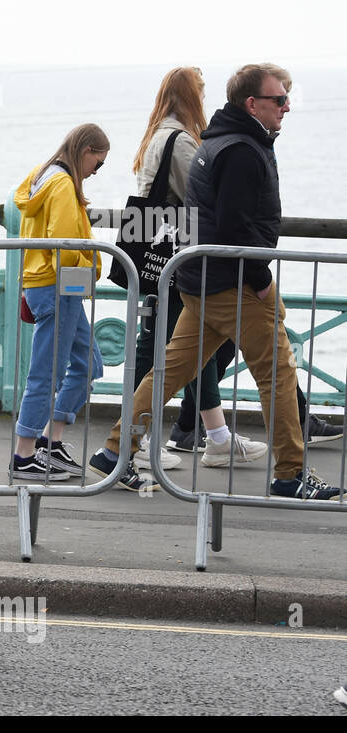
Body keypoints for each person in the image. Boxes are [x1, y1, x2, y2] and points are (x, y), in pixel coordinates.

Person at [89, 64, 343, 500]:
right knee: (278, 374)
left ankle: (115, 450)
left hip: (199, 276)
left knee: (170, 369)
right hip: (235, 283)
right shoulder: (242, 150)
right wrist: (261, 277)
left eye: (287, 98)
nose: (286, 106)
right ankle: (290, 475)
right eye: (279, 100)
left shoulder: (215, 141)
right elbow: (234, 226)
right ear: (253, 104)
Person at [128, 67, 267, 471]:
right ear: (192, 95)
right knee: (167, 348)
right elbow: (204, 193)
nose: (206, 98)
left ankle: (203, 435)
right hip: (176, 255)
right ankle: (140, 443)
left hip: (157, 251)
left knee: (173, 345)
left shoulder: (157, 133)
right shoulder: (181, 140)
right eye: (202, 91)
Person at [8, 124, 114, 485]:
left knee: (87, 365)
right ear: (86, 150)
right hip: (58, 285)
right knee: (47, 372)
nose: (95, 172)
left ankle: (48, 442)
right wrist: (94, 266)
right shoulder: (64, 184)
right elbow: (67, 245)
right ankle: (24, 454)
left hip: (44, 282)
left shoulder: (41, 177)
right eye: (97, 164)